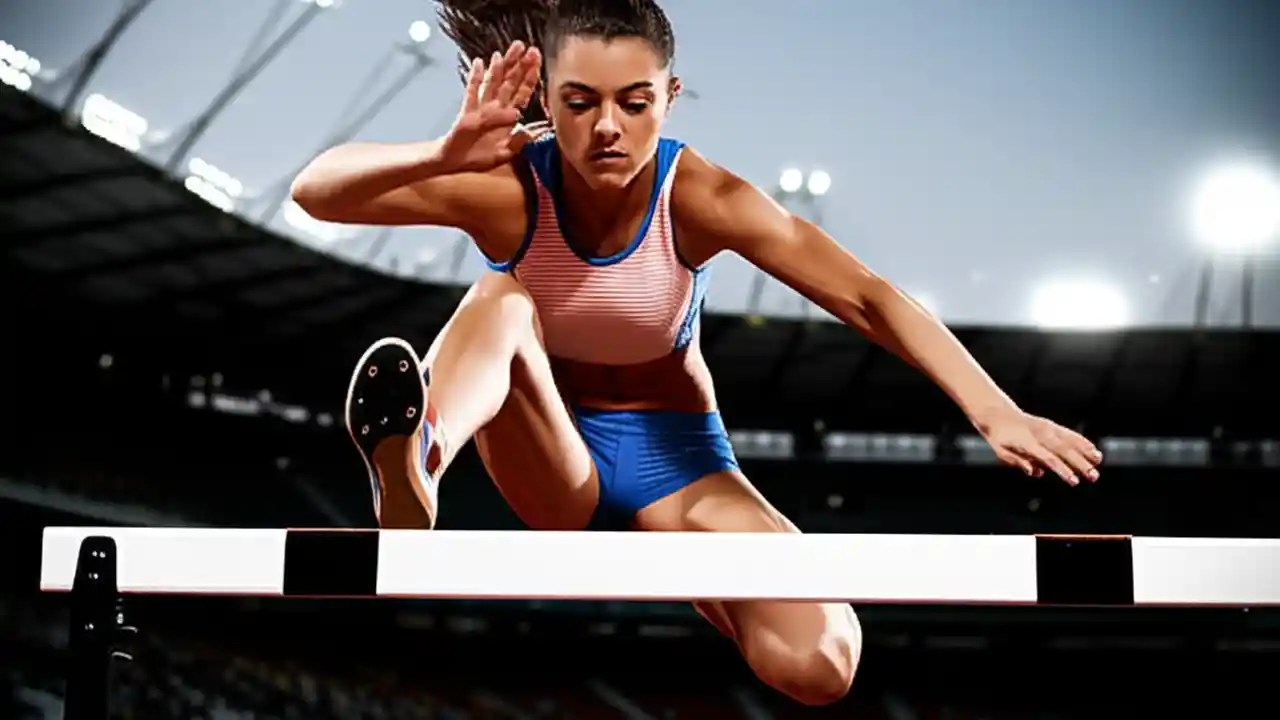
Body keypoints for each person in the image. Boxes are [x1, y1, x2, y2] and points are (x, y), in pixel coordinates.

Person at [290, 0, 1104, 706]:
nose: (607, 127)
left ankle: (694, 571)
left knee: (823, 661)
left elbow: (866, 294)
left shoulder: (702, 198)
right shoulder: (506, 188)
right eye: (580, 103)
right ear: (547, 99)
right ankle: (417, 462)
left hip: (678, 464)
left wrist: (993, 409)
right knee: (501, 299)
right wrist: (440, 155)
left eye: (633, 102)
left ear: (668, 99)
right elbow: (316, 189)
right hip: (553, 455)